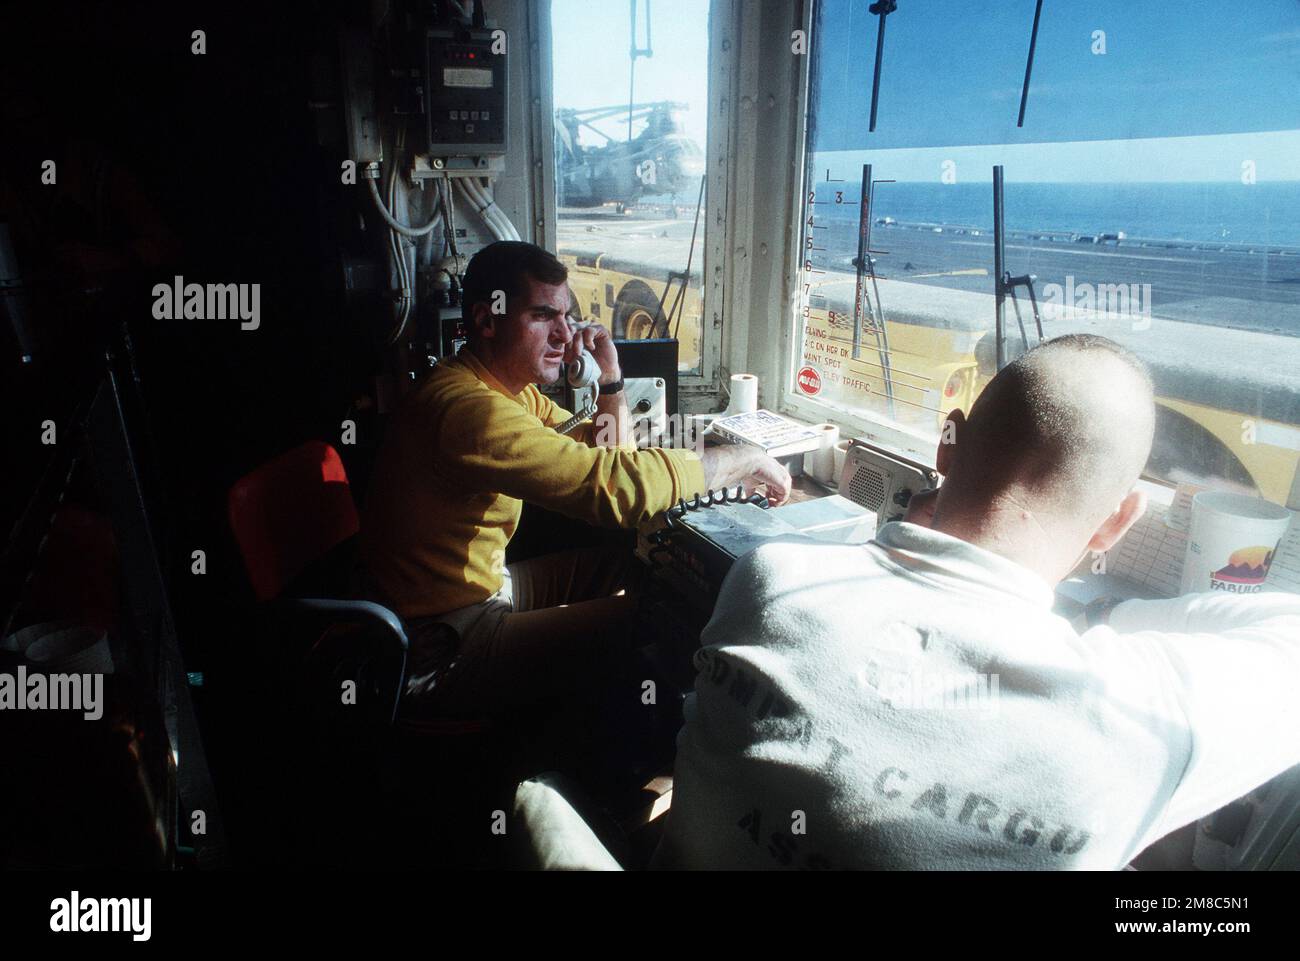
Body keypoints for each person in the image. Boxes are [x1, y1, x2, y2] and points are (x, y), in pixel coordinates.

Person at [653, 334, 1300, 869]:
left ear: (946, 443)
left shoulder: (770, 576)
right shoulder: (1132, 718)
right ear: (1118, 521)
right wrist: (1111, 618)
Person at [361, 241, 790, 720]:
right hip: (443, 645)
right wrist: (740, 459)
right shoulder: (469, 412)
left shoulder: (505, 392)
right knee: (659, 620)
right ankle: (630, 767)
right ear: (486, 320)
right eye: (544, 316)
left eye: (568, 317)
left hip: (483, 593)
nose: (565, 336)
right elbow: (613, 491)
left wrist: (609, 380)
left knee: (641, 568)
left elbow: (607, 453)